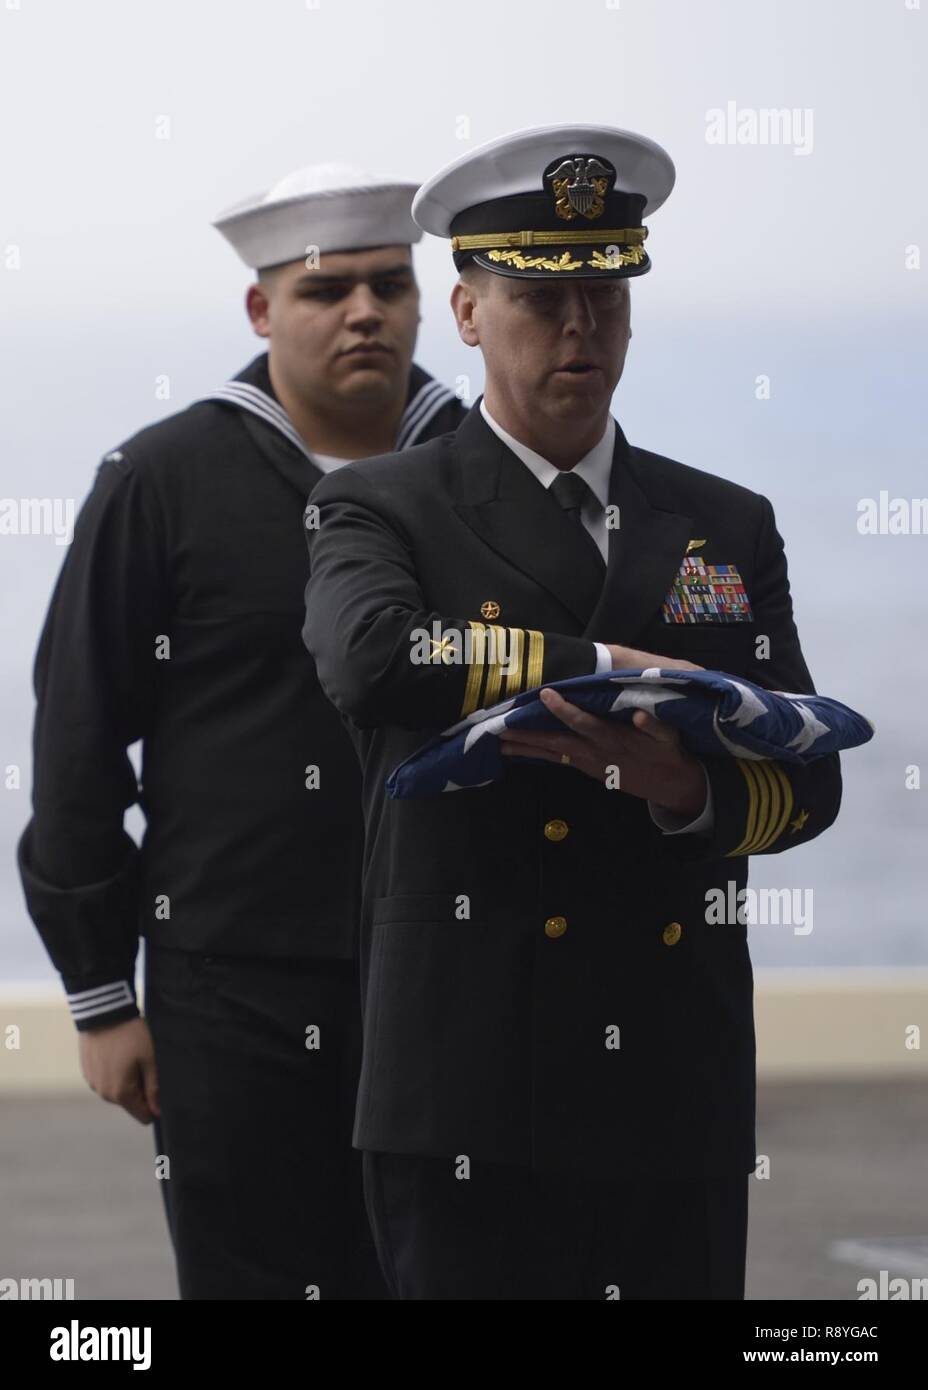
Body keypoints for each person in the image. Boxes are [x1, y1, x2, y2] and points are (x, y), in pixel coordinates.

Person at [302, 125, 843, 1300]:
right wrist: (598, 659)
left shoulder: (721, 523)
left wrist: (684, 789)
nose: (580, 330)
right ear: (465, 310)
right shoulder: (380, 504)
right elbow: (371, 659)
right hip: (466, 1080)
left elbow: (809, 777)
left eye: (604, 295)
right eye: (540, 299)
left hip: (669, 1074)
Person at [17, 162, 466, 1299]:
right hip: (232, 989)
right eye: (325, 292)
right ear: (262, 310)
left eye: (387, 285)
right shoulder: (162, 478)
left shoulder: (477, 470)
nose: (363, 311)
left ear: (423, 300)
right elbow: (76, 738)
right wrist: (100, 993)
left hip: (450, 965)